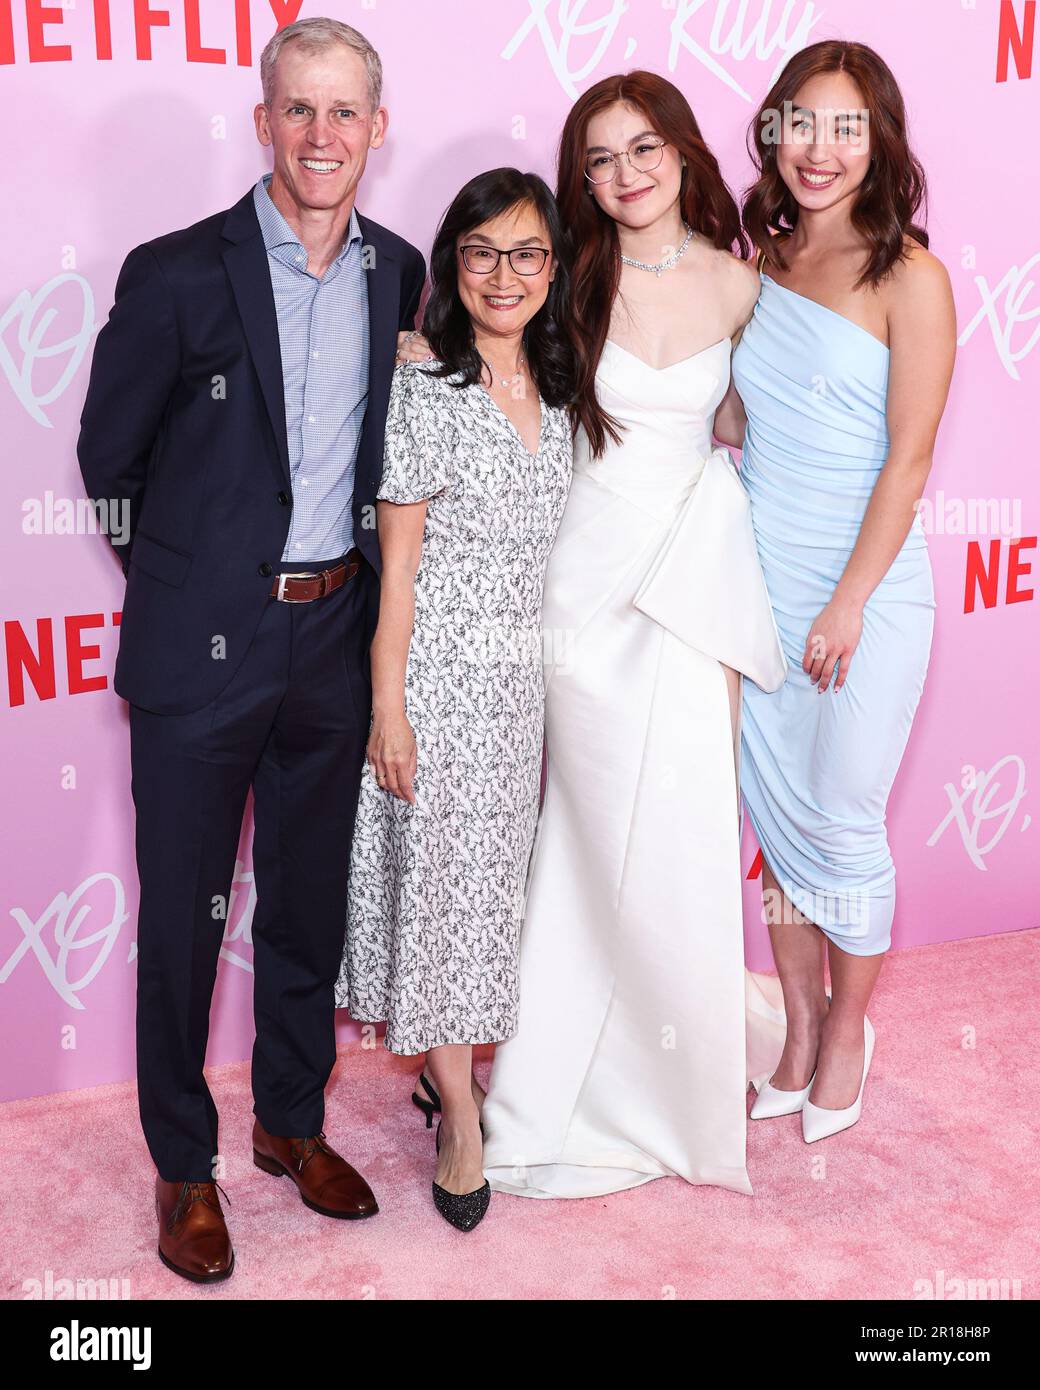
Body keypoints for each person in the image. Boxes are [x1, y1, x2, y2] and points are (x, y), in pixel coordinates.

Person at [77, 18, 425, 1282]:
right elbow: (106, 464)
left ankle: (290, 1119)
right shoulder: (173, 272)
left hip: (333, 640)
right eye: (299, 110)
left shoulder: (399, 268)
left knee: (307, 900)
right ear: (263, 119)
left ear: (378, 130)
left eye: (346, 113)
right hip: (201, 653)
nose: (321, 135)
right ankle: (184, 1163)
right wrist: (184, 588)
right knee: (181, 913)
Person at [472, 72, 789, 1199]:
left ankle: (677, 1062)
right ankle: (566, 1062)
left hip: (693, 581)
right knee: (593, 821)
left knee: (688, 827)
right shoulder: (569, 279)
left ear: (681, 150)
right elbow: (491, 361)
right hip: (584, 580)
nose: (623, 173)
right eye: (599, 158)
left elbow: (758, 431)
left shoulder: (748, 288)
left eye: (641, 147)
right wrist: (428, 355)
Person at [337, 168, 575, 1231]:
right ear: (451, 266)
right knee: (440, 899)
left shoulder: (566, 392)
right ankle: (461, 1119)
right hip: (435, 680)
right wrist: (389, 707)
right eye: (479, 252)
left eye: (526, 252)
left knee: (493, 900)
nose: (502, 274)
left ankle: (452, 1075)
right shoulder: (423, 391)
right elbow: (397, 569)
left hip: (520, 688)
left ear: (554, 268)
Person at [727, 41, 955, 1141]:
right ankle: (798, 1029)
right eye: (800, 124)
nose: (818, 150)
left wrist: (848, 599)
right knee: (776, 827)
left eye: (844, 127)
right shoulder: (755, 255)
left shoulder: (909, 276)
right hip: (759, 591)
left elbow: (906, 461)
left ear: (879, 142)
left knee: (842, 821)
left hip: (859, 594)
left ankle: (849, 1031)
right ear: (771, 134)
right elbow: (733, 412)